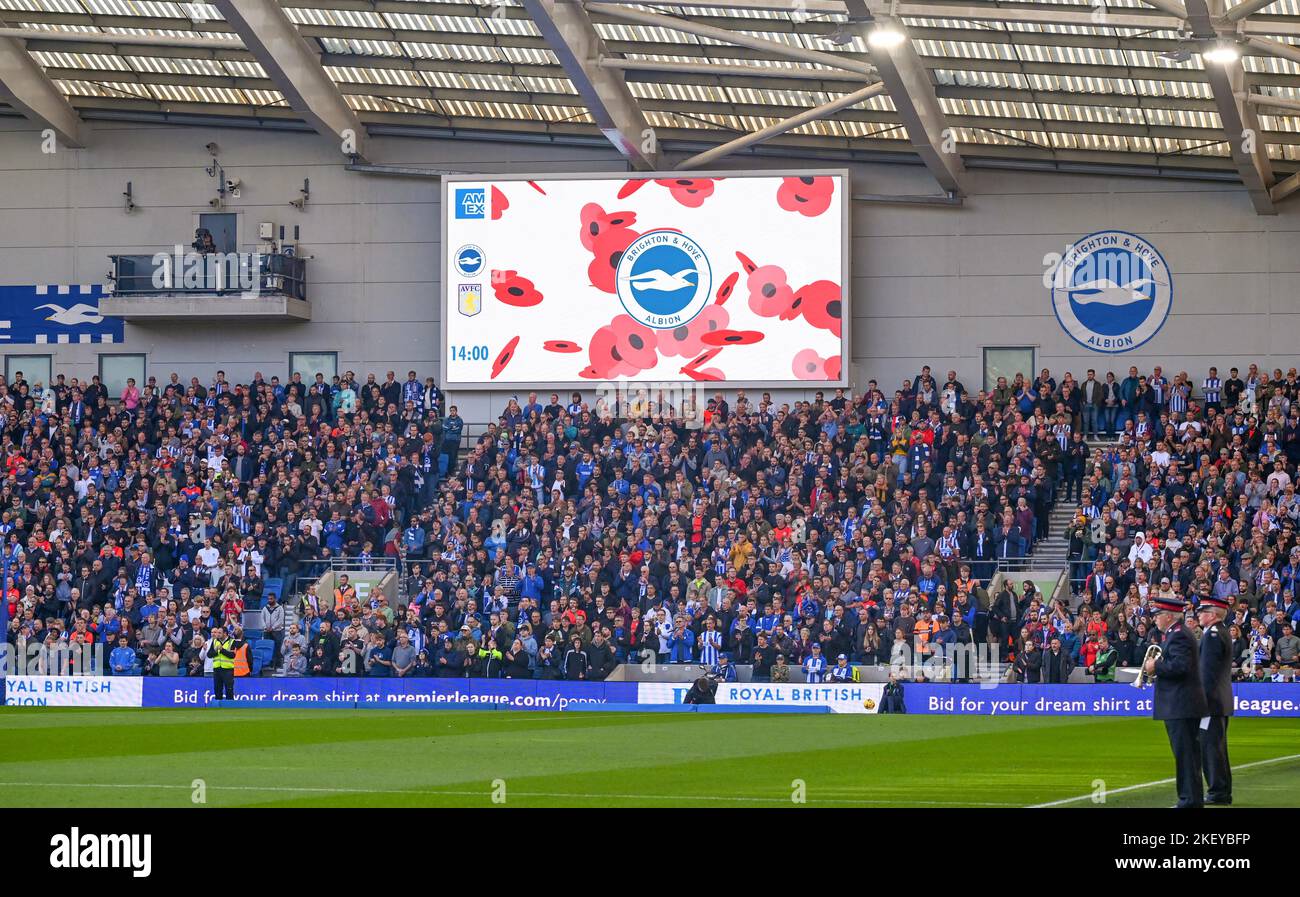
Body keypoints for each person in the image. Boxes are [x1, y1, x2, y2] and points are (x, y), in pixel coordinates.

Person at [1146, 595, 1209, 809]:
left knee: (1186, 755)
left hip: (1181, 704)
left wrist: (1156, 666)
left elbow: (1180, 666)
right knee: (1186, 754)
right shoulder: (1176, 634)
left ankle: (1189, 800)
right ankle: (1190, 798)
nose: (1155, 619)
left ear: (1168, 616)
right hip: (1180, 704)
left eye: (1158, 615)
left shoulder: (1179, 635)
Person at [1197, 594, 1234, 805]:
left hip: (1210, 702)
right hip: (1218, 700)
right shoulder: (1219, 632)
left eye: (1202, 611)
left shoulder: (1212, 635)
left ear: (1212, 614)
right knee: (1216, 746)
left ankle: (1217, 791)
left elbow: (1207, 674)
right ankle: (1220, 789)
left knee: (1211, 747)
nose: (1199, 615)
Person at [208, 623, 237, 702]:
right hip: (217, 669)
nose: (217, 634)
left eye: (219, 633)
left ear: (225, 633)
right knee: (217, 689)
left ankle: (230, 706)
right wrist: (217, 651)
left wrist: (222, 650)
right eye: (217, 632)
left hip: (228, 669)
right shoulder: (214, 641)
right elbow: (209, 654)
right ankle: (218, 707)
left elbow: (232, 655)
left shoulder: (232, 642)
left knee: (229, 689)